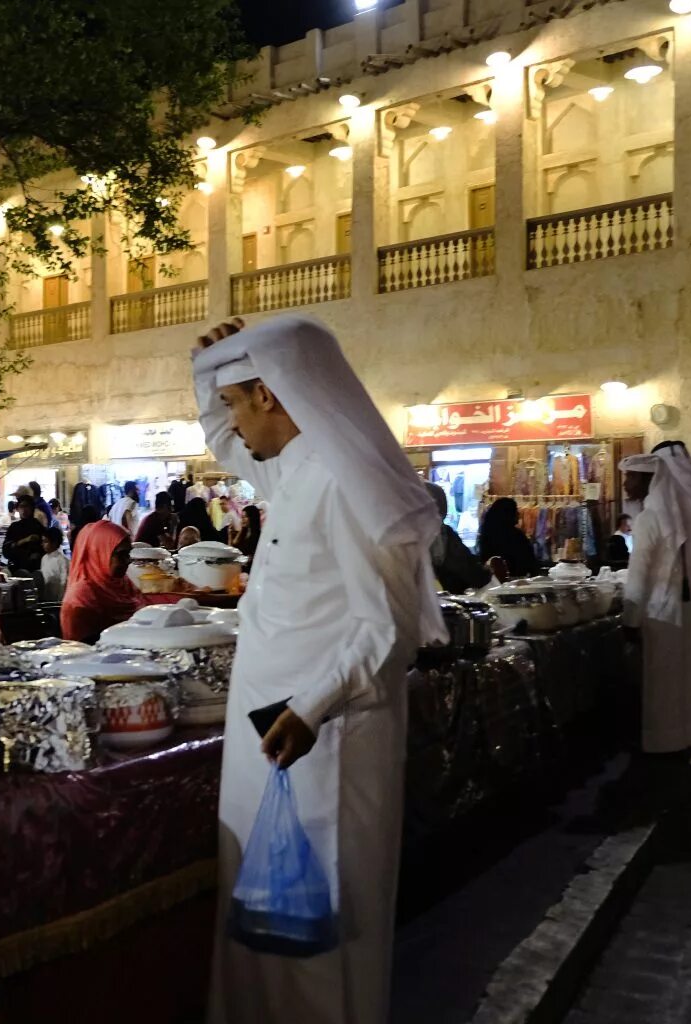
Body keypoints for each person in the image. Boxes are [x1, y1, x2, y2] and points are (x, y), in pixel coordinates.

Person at [193, 316, 446, 1024]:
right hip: (276, 739)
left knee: (324, 932)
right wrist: (206, 370)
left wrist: (310, 708)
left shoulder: (342, 482)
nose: (229, 422)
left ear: (269, 395)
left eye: (235, 402)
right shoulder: (294, 471)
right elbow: (226, 441)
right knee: (266, 926)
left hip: (321, 742)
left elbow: (387, 627)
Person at [621, 452, 691, 757]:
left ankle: (664, 741)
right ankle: (686, 734)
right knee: (685, 673)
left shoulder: (649, 518)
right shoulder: (681, 514)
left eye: (630, 477)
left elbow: (639, 574)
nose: (625, 484)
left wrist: (630, 619)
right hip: (686, 607)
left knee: (662, 678)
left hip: (660, 609)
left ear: (647, 479)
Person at [61, 520, 148, 643]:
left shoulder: (122, 583)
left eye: (128, 554)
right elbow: (81, 649)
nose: (128, 561)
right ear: (98, 553)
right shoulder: (80, 600)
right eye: (121, 555)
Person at [426, 483, 491, 594]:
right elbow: (468, 569)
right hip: (443, 600)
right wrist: (486, 572)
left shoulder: (403, 534)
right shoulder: (442, 534)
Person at [476, 497, 538, 580]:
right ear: (509, 514)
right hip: (516, 582)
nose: (518, 514)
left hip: (493, 582)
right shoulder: (517, 536)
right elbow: (530, 562)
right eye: (515, 511)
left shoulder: (487, 534)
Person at [2, 494, 51, 574]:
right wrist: (24, 540)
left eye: (27, 506)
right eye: (21, 506)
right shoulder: (14, 527)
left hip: (35, 570)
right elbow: (6, 551)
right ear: (17, 508)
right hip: (16, 569)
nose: (24, 510)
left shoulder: (38, 527)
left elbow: (46, 549)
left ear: (32, 508)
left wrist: (38, 554)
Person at [40, 527, 70, 602]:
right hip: (46, 597)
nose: (42, 544)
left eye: (46, 541)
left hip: (57, 600)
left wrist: (60, 600)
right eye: (42, 541)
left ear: (54, 543)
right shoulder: (44, 558)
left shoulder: (62, 560)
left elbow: (64, 582)